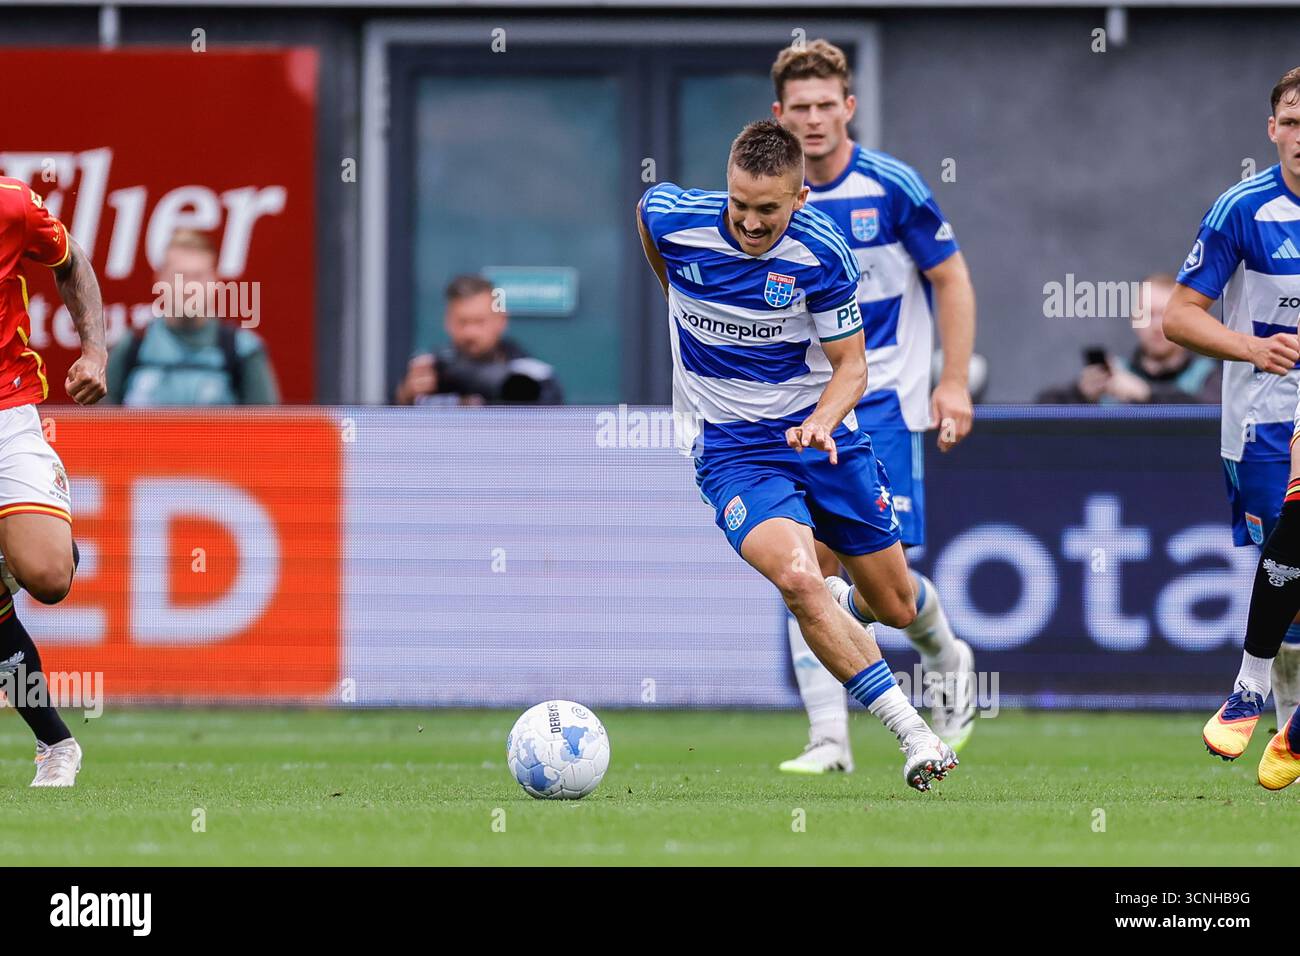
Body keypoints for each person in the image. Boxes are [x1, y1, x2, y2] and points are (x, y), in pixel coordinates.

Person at [637, 119, 958, 792]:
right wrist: (675, 294)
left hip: (823, 439)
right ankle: (914, 735)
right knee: (797, 576)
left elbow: (853, 368)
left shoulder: (822, 253)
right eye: (740, 205)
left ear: (799, 198)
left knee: (895, 606)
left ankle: (866, 617)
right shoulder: (675, 220)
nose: (751, 223)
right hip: (734, 449)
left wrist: (820, 421)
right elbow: (647, 216)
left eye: (768, 210)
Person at [768, 39, 979, 772]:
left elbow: (951, 279)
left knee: (884, 594)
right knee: (802, 565)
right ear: (779, 114)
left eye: (826, 105)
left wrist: (953, 381)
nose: (814, 119)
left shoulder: (891, 187)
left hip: (882, 397)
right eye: (801, 107)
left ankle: (945, 656)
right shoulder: (766, 198)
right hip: (798, 406)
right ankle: (829, 738)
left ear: (849, 107)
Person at [1161, 66, 1300, 787]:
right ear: (1272, 130)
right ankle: (1278, 717)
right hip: (1263, 423)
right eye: (1293, 122)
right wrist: (1251, 347)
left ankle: (1265, 706)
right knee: (1291, 577)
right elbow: (1178, 316)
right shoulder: (1242, 209)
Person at [0, 176, 108, 786]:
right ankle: (56, 745)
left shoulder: (11, 204)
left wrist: (94, 352)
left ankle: (42, 545)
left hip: (7, 413)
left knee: (48, 578)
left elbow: (71, 262)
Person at [105, 229, 280, 406]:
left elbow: (265, 422)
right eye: (180, 276)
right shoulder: (131, 346)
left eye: (198, 276)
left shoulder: (242, 350)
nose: (189, 288)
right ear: (160, 280)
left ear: (215, 281)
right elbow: (100, 420)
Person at [1036, 274, 1220, 404]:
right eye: (1147, 314)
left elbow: (1214, 417)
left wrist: (1145, 395)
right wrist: (1081, 394)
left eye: (1165, 315)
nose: (1157, 326)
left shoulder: (1209, 376)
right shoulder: (1114, 377)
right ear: (1134, 319)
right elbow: (1039, 414)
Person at [395, 274, 563, 406]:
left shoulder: (533, 375)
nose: (470, 333)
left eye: (479, 321)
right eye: (462, 322)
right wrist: (406, 399)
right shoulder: (429, 370)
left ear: (501, 320)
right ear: (447, 322)